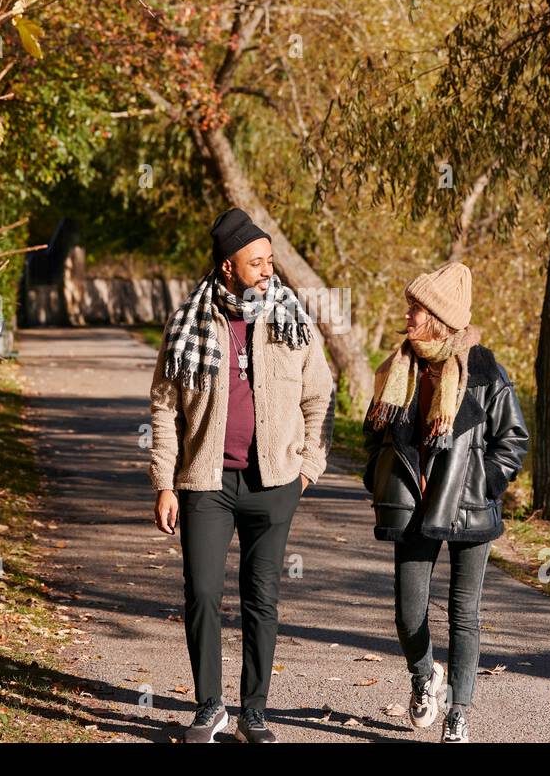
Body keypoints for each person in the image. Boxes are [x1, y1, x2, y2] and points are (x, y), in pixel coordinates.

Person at [149, 207, 334, 743]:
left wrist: (307, 471)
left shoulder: (290, 318)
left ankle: (255, 711)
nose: (267, 271)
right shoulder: (188, 321)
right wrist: (165, 482)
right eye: (256, 262)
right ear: (228, 267)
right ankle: (210, 705)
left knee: (263, 599)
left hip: (274, 484)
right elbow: (164, 407)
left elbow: (318, 393)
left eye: (270, 261)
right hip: (205, 483)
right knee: (202, 593)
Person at [362, 261, 529, 742]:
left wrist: (484, 483)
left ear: (437, 316)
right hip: (415, 507)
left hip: (469, 507)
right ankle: (423, 678)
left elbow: (512, 439)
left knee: (465, 614)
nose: (407, 316)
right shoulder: (400, 368)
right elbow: (374, 433)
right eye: (410, 307)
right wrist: (378, 475)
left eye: (415, 309)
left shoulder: (484, 371)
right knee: (408, 611)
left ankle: (458, 709)